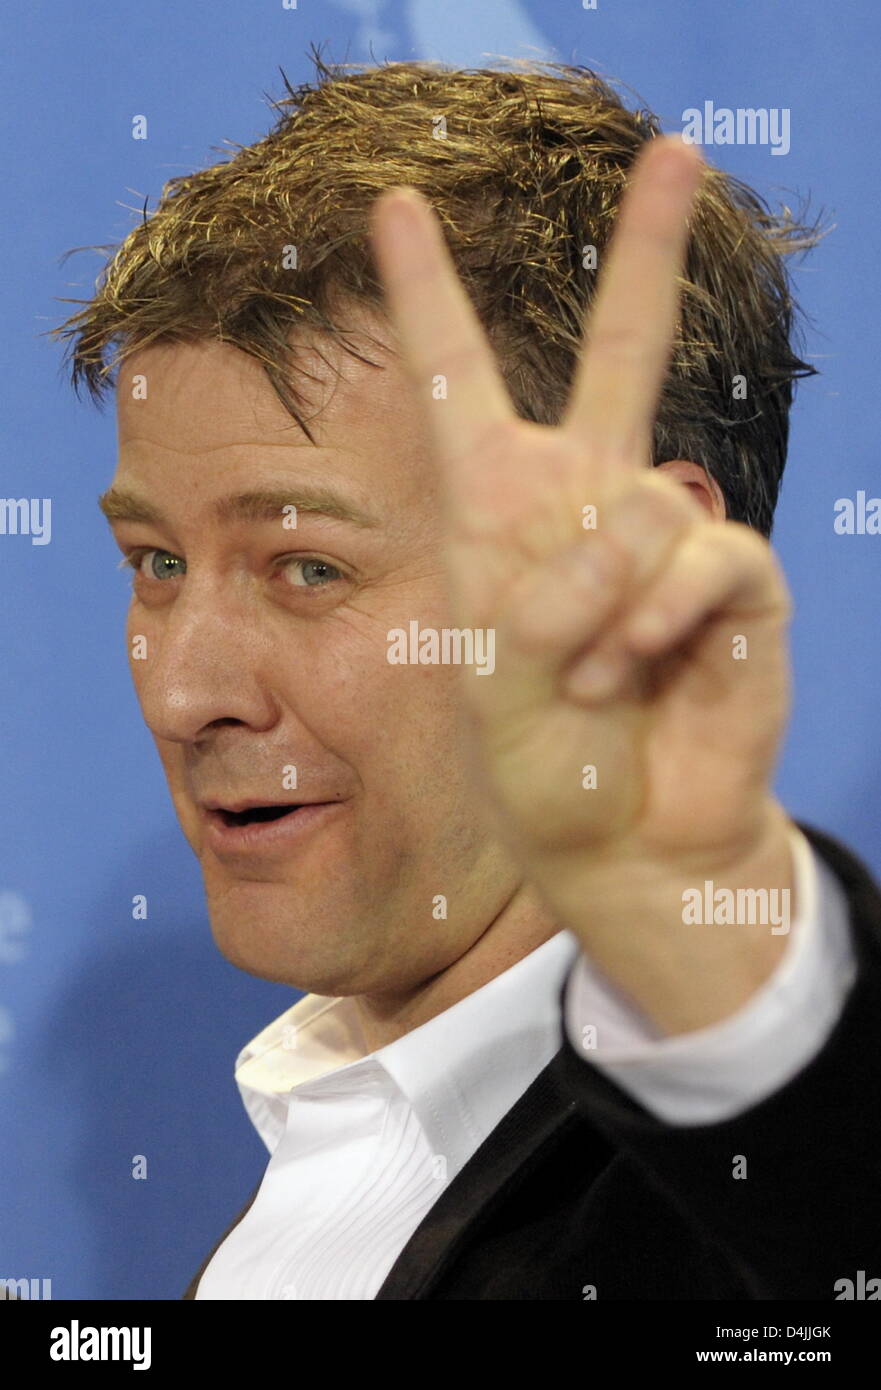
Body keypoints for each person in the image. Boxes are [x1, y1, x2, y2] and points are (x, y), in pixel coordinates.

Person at [50, 56, 881, 1301]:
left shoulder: (722, 1234)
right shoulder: (327, 1136)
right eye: (157, 559)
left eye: (306, 566)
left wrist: (700, 932)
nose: (180, 691)